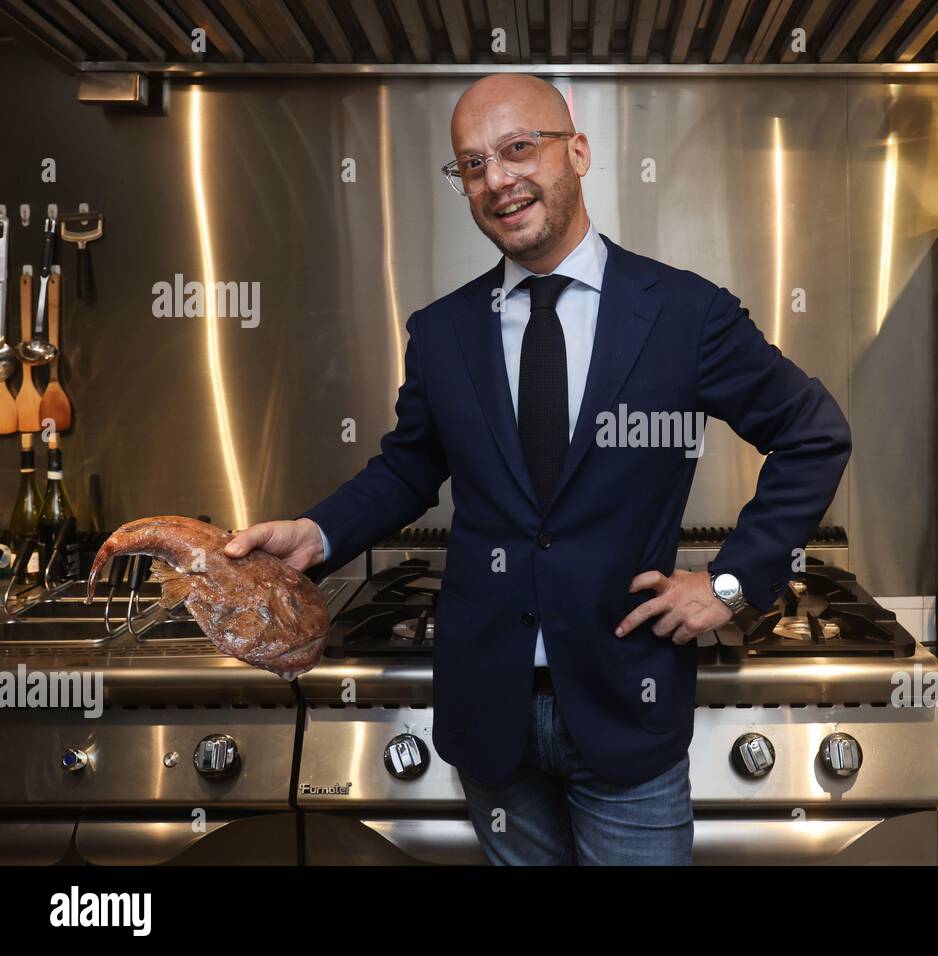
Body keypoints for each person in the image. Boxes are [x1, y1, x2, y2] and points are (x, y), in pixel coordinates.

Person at [225, 73, 851, 865]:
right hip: (492, 720)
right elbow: (408, 470)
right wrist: (317, 533)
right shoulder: (444, 331)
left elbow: (812, 431)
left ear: (577, 151)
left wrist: (729, 584)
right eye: (472, 165)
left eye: (518, 148)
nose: (497, 179)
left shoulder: (686, 315)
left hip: (628, 702)